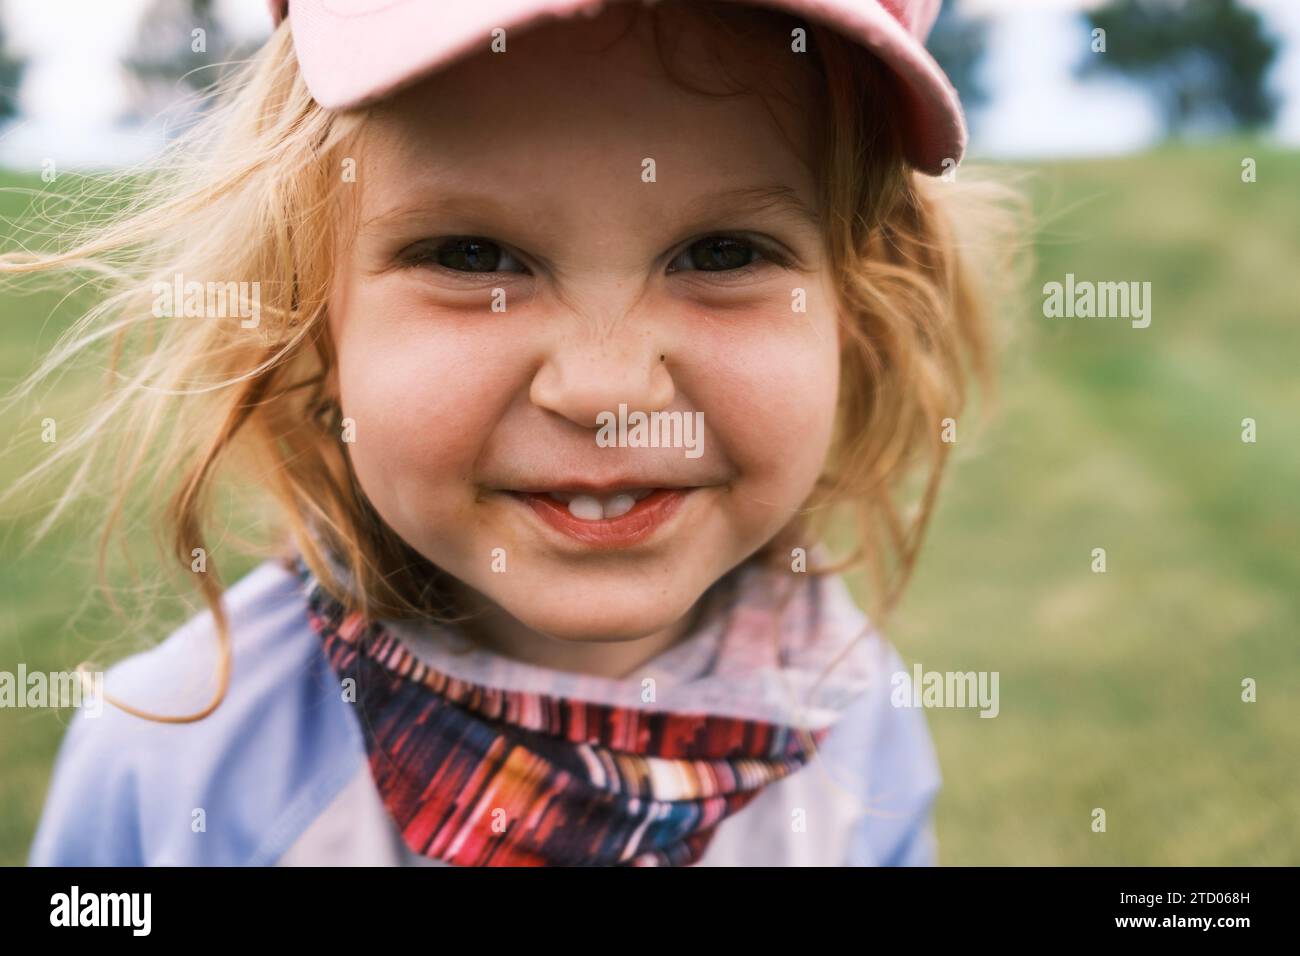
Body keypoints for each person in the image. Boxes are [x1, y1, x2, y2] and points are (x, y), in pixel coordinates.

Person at [16, 0, 1017, 866]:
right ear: (310, 312)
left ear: (860, 305)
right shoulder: (176, 756)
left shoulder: (847, 712)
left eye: (721, 251)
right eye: (473, 253)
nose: (603, 387)